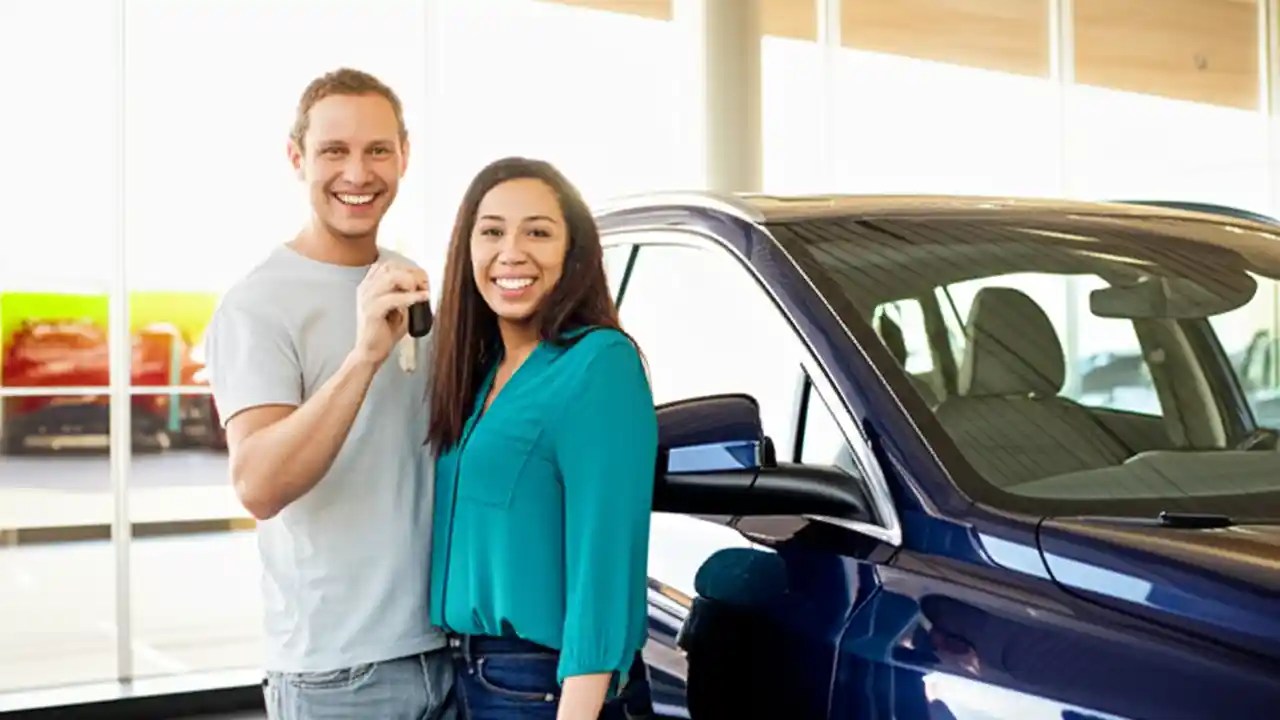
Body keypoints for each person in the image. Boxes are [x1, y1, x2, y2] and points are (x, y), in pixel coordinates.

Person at [204, 67, 454, 719]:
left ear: (404, 155)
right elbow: (259, 484)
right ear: (297, 158)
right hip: (338, 676)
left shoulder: (412, 286)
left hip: (448, 655)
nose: (358, 173)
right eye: (334, 151)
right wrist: (364, 356)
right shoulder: (257, 304)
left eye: (377, 150)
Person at [426, 157, 658, 720]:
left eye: (538, 232)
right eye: (492, 232)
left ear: (572, 252)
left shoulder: (599, 364)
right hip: (469, 679)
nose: (511, 252)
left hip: (549, 688)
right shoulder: (482, 374)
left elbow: (602, 571)